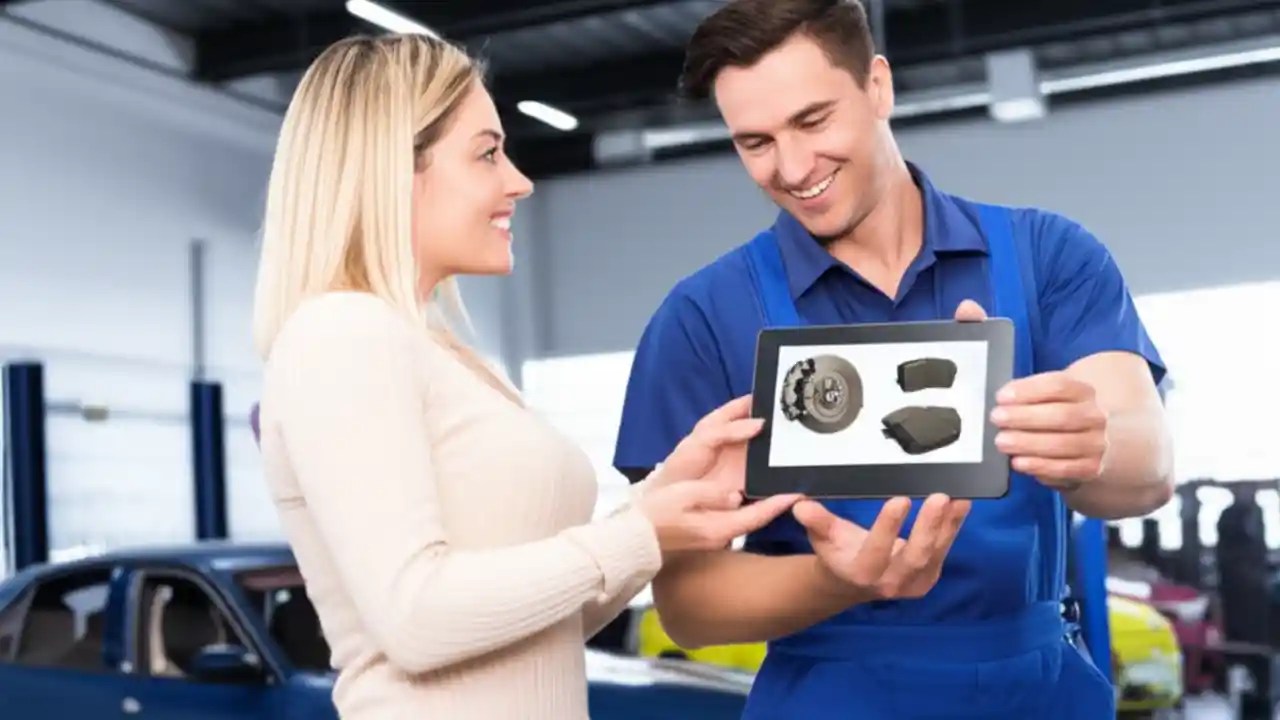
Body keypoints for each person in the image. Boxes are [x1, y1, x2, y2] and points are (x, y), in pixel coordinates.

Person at [612, 1, 1175, 717]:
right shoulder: (704, 319)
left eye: (813, 122)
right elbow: (687, 604)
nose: (792, 168)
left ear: (878, 86)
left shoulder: (1046, 258)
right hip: (832, 696)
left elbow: (1149, 470)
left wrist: (1090, 444)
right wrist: (842, 580)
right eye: (754, 142)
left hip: (1036, 693)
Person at [250, 33, 801, 720]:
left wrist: (664, 502)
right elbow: (416, 619)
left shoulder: (441, 352)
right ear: (394, 168)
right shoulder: (340, 333)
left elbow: (535, 629)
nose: (519, 180)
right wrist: (635, 533)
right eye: (487, 153)